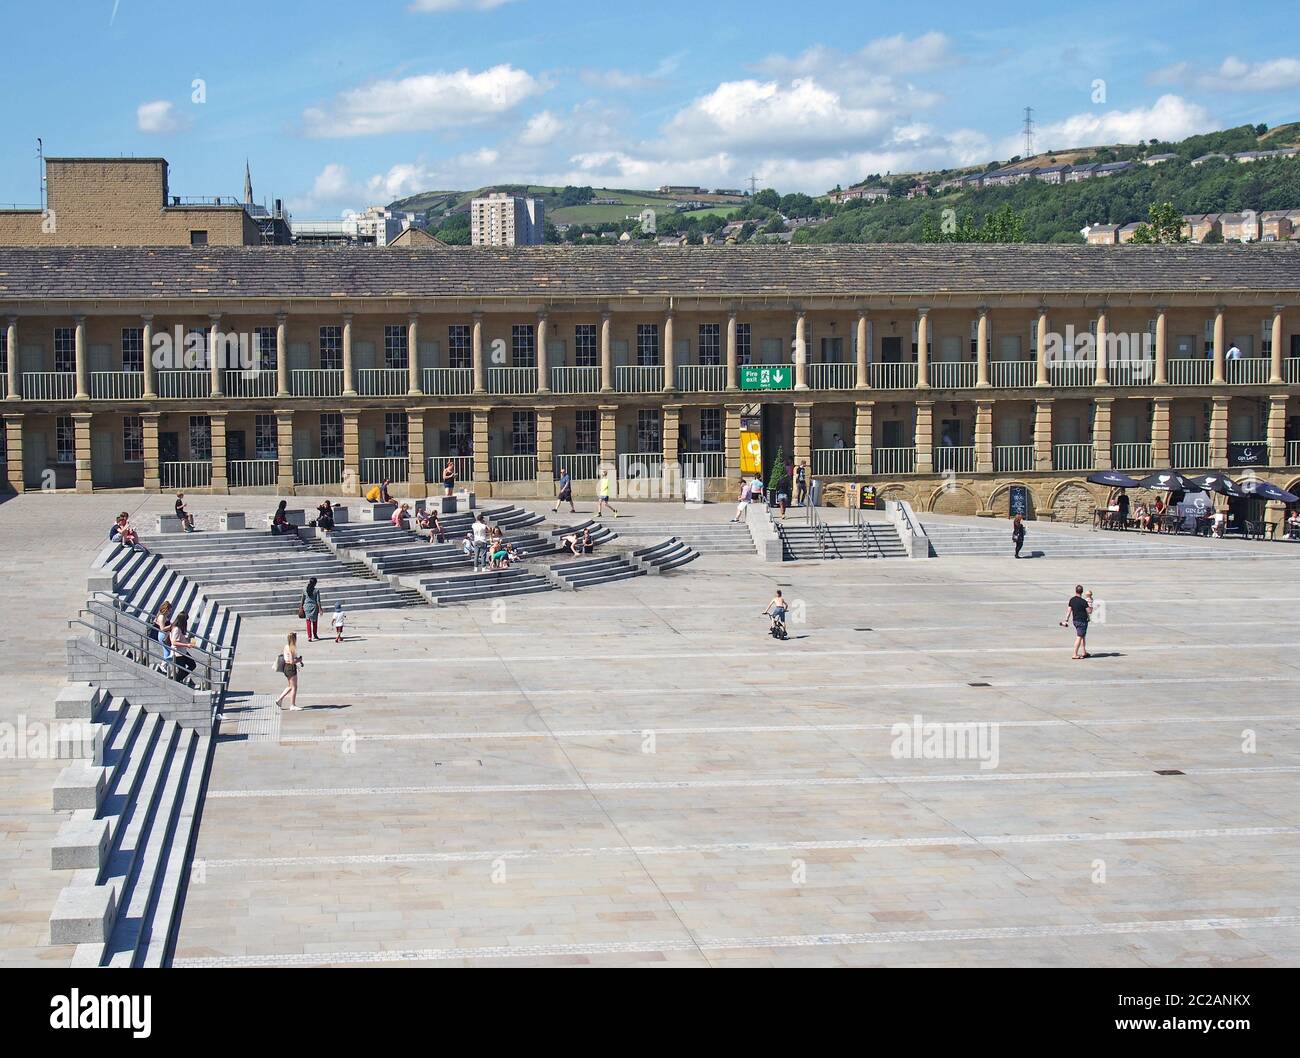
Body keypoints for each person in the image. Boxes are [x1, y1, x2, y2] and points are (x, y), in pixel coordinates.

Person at [1060, 584, 1093, 660]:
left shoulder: (1072, 600)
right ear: (1082, 592)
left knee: (1082, 636)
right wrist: (1090, 603)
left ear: (1075, 591)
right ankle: (1074, 654)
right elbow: (1090, 611)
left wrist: (1066, 621)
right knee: (1079, 637)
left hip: (1075, 621)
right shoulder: (1083, 601)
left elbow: (1069, 611)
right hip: (1082, 622)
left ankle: (1084, 652)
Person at [274, 632, 303, 711]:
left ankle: (279, 700)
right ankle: (292, 705)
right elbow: (291, 661)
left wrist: (297, 659)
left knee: (290, 686)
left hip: (286, 668)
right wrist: (299, 660)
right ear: (294, 639)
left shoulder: (286, 646)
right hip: (290, 668)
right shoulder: (291, 648)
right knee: (294, 687)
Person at [170, 612, 199, 684]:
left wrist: (188, 641)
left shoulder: (179, 628)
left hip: (183, 652)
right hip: (178, 653)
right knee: (182, 670)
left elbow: (180, 639)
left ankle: (178, 680)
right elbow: (174, 642)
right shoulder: (176, 629)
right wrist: (186, 645)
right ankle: (176, 681)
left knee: (192, 665)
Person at [153, 600, 174, 675]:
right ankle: (163, 665)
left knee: (167, 652)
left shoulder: (164, 616)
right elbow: (162, 628)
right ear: (166, 609)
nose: (170, 612)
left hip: (166, 635)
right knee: (171, 652)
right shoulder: (161, 617)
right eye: (169, 610)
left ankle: (164, 666)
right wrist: (171, 626)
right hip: (163, 636)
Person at [300, 577, 322, 642]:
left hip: (306, 607)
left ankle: (309, 637)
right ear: (315, 583)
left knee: (308, 622)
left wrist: (301, 607)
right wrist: (320, 609)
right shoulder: (316, 590)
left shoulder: (304, 590)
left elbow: (302, 599)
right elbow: (318, 601)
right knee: (315, 622)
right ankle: (315, 634)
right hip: (314, 607)